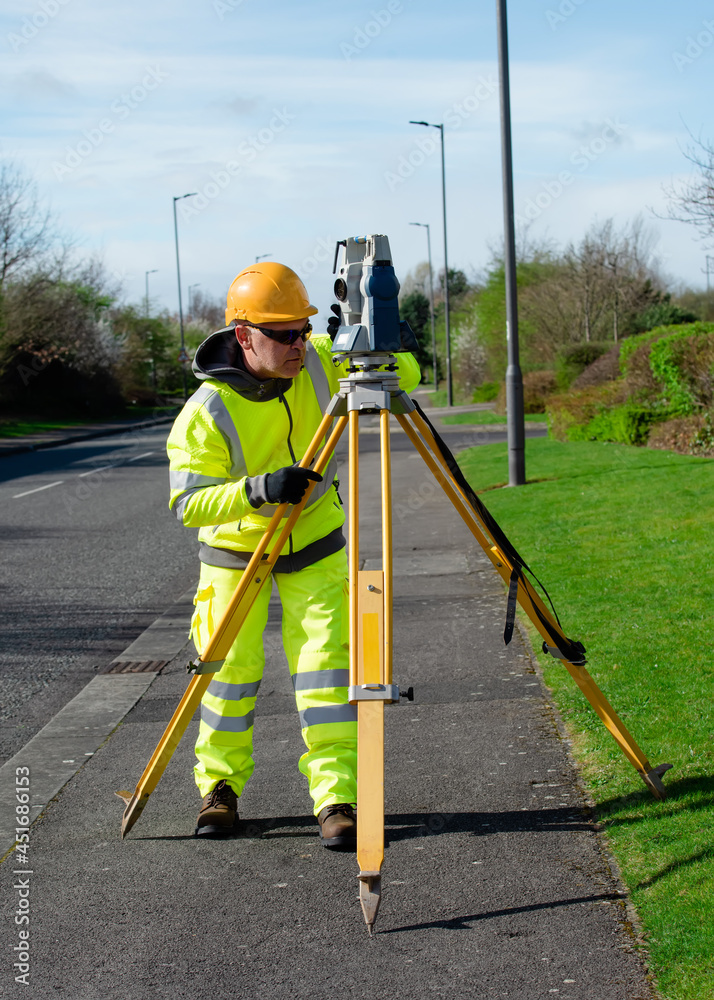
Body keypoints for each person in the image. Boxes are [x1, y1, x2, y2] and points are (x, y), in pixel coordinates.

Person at [167, 261, 420, 848]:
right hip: (237, 555)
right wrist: (259, 489)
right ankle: (220, 790)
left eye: (302, 329)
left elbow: (397, 374)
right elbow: (187, 503)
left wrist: (391, 343)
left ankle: (336, 797)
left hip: (314, 543)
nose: (296, 343)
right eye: (281, 333)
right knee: (228, 676)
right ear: (243, 334)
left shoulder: (318, 361)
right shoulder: (207, 410)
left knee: (327, 674)